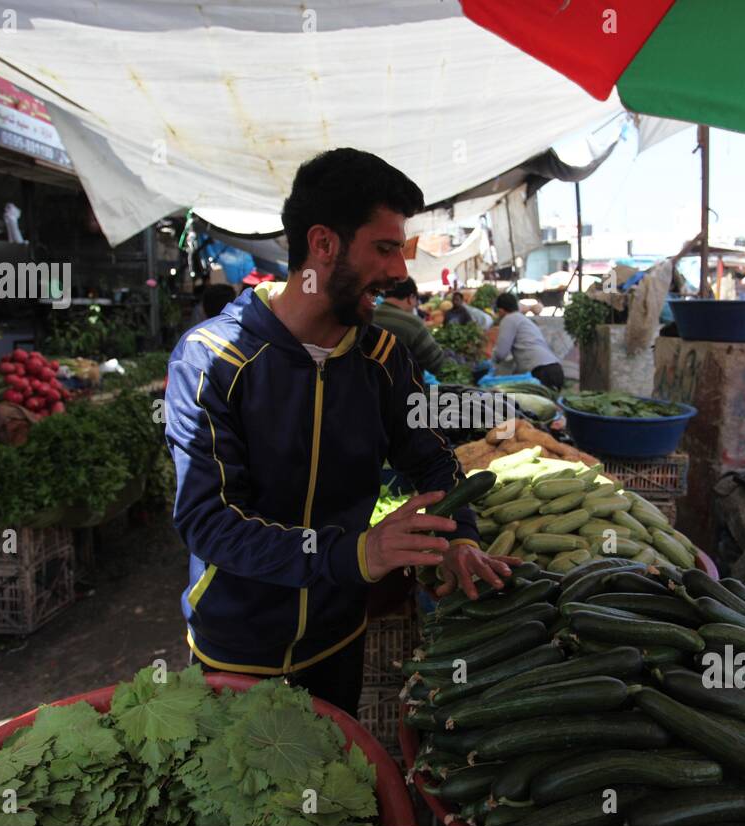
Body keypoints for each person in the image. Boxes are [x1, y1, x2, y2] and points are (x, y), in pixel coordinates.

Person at [163, 148, 515, 714]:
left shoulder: (383, 356)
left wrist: (460, 537)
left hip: (339, 638)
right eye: (383, 248)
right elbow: (209, 522)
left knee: (327, 791)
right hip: (236, 650)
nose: (401, 271)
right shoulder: (212, 360)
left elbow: (431, 460)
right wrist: (351, 555)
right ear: (322, 245)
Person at [372, 276, 446, 374]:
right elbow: (436, 364)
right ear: (411, 298)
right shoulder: (412, 323)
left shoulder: (368, 316)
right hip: (404, 387)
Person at [492, 291, 564, 390]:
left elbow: (501, 353)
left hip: (541, 372)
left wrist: (490, 361)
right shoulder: (523, 319)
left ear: (500, 310)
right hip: (555, 369)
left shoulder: (508, 319)